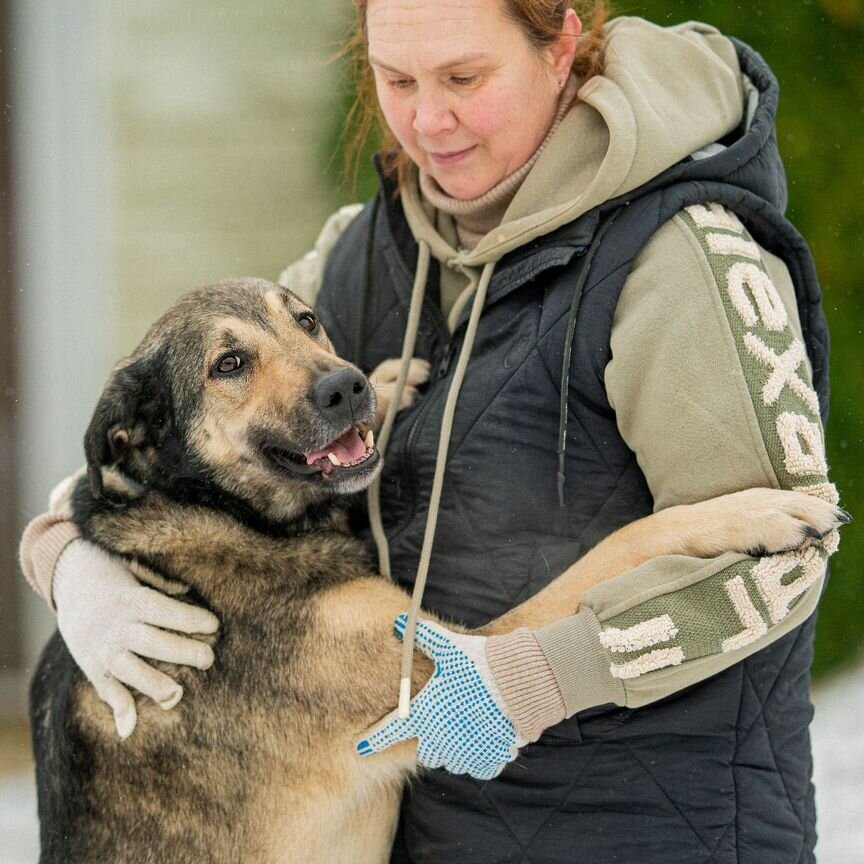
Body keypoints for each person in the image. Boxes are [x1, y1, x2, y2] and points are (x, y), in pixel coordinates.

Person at [20, 1, 843, 861]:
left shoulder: (681, 259)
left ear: (560, 45)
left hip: (648, 833)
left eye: (463, 77)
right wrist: (64, 557)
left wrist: (541, 674)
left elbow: (785, 552)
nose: (426, 119)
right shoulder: (367, 250)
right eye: (397, 79)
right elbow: (178, 433)